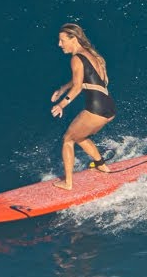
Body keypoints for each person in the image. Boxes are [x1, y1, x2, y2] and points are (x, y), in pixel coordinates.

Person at [49, 23, 115, 190]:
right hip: (108, 107)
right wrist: (62, 89)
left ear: (74, 39)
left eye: (62, 40)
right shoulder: (91, 55)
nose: (59, 44)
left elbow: (78, 87)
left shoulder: (76, 58)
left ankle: (68, 183)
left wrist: (61, 104)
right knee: (79, 136)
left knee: (68, 139)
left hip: (96, 108)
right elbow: (81, 77)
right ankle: (101, 165)